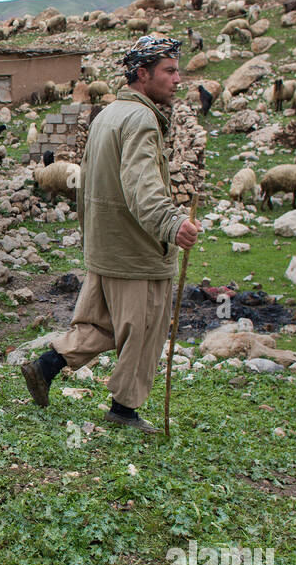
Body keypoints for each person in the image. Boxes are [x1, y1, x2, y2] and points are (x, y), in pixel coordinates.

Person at [20, 35, 202, 433]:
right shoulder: (141, 120)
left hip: (105, 246)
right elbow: (143, 189)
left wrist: (91, 238)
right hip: (136, 254)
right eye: (169, 71)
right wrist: (173, 225)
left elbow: (86, 184)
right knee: (143, 331)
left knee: (100, 325)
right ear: (143, 73)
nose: (178, 79)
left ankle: (45, 367)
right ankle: (124, 410)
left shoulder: (108, 113)